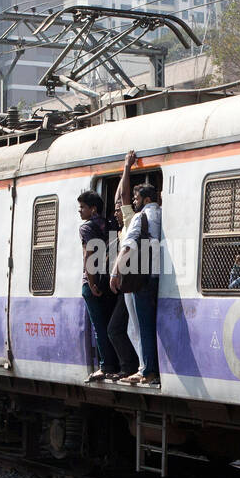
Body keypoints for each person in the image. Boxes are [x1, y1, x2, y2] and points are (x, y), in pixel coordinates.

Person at [111, 180, 162, 386]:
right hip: (157, 277)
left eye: (137, 198)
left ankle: (147, 370)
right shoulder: (161, 214)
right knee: (150, 324)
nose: (134, 201)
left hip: (141, 278)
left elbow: (129, 244)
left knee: (143, 326)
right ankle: (151, 368)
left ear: (146, 200)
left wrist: (116, 271)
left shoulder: (140, 217)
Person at [78, 190, 122, 382]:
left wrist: (91, 282)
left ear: (93, 208)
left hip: (94, 282)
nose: (79, 211)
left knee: (99, 326)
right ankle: (117, 363)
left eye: (82, 207)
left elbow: (89, 255)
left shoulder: (86, 228)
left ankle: (106, 366)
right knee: (109, 323)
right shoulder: (111, 224)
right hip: (109, 280)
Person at [106, 151, 141, 380]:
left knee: (117, 329)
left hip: (130, 284)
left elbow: (123, 197)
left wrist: (126, 168)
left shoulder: (130, 221)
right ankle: (130, 367)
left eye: (118, 211)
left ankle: (130, 367)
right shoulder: (122, 228)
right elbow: (120, 197)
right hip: (126, 285)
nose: (116, 212)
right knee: (125, 328)